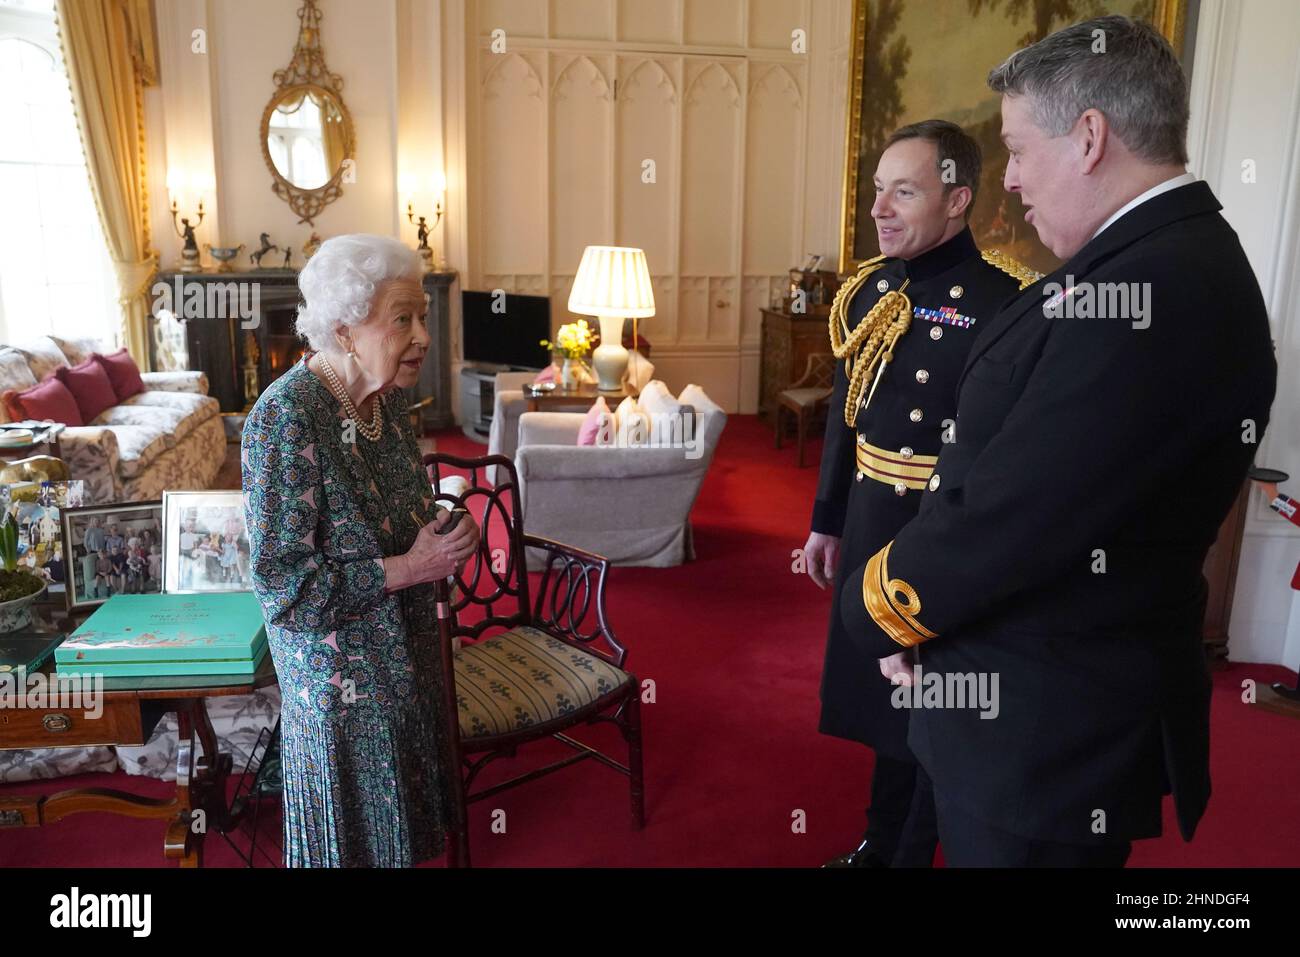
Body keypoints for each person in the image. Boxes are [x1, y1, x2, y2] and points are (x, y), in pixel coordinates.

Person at [839, 16, 1277, 866]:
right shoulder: (1159, 260)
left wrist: (878, 608)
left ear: (1088, 138)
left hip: (1045, 729)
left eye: (1017, 148)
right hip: (1033, 697)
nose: (1009, 180)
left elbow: (1012, 516)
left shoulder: (1151, 288)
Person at [807, 121, 1033, 868]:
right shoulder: (871, 288)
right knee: (882, 702)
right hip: (873, 520)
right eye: (878, 189)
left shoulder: (1004, 303)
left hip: (942, 535)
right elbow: (848, 416)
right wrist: (826, 522)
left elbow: (1001, 461)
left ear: (958, 200)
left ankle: (907, 856)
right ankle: (878, 845)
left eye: (904, 191)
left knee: (930, 710)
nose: (880, 207)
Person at [243, 233, 480, 867]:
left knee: (408, 843)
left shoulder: (392, 405)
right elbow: (285, 592)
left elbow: (407, 513)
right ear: (345, 330)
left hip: (410, 660)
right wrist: (412, 567)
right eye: (403, 319)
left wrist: (450, 526)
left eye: (422, 316)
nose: (424, 337)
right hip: (344, 691)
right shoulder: (284, 418)